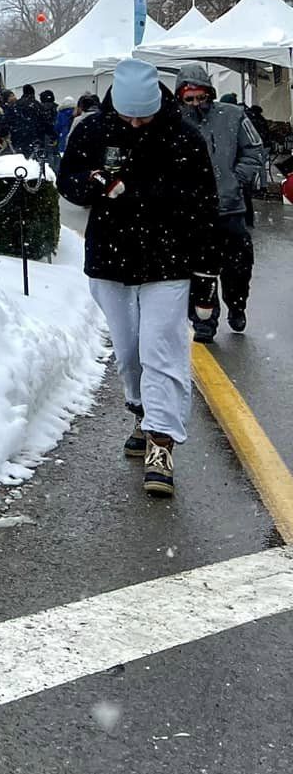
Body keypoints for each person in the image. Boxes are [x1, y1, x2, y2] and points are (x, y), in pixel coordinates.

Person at [59, 56, 218, 500]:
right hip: (111, 258)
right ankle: (140, 409)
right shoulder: (93, 130)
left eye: (142, 115)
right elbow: (67, 180)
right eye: (127, 115)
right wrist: (92, 183)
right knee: (129, 352)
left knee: (161, 349)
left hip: (168, 260)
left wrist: (206, 270)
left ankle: (161, 443)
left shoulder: (183, 137)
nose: (134, 122)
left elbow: (203, 202)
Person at [173, 62, 265, 340]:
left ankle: (237, 305)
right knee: (200, 270)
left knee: (238, 267)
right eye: (189, 98)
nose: (195, 103)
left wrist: (236, 179)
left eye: (200, 96)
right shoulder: (173, 123)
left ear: (209, 93)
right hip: (192, 212)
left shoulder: (233, 115)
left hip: (230, 207)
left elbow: (254, 150)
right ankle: (203, 320)